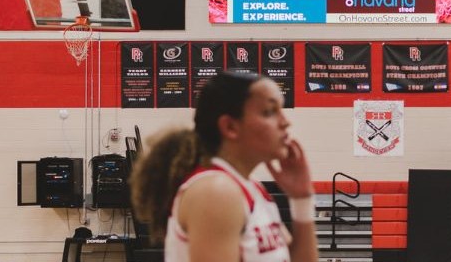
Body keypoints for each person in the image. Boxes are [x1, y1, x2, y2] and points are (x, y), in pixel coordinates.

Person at [130, 74, 316, 262]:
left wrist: (302, 198)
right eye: (269, 111)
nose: (285, 122)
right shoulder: (216, 192)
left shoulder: (251, 187)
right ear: (230, 127)